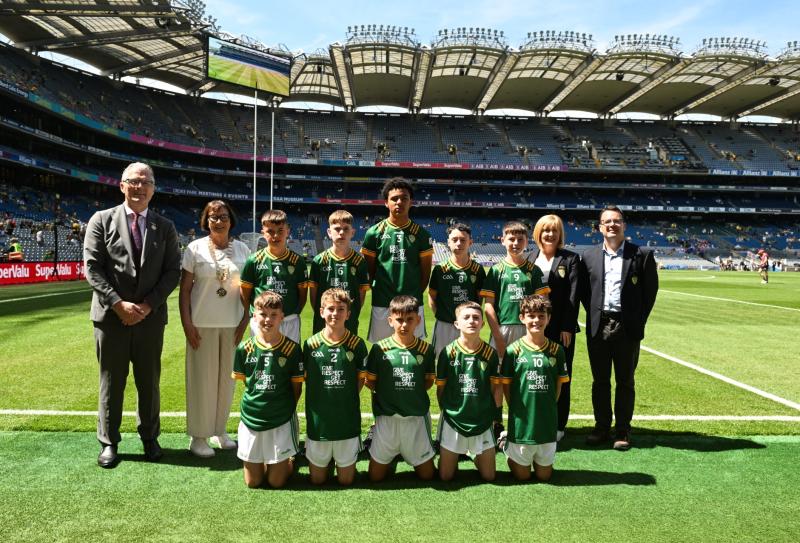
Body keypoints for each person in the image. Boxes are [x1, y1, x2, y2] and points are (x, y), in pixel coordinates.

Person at [83, 162, 180, 469]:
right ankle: (109, 442)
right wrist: (117, 304)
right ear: (121, 186)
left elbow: (172, 271)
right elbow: (92, 267)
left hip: (150, 319)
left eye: (145, 182)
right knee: (111, 382)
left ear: (153, 188)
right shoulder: (101, 220)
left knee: (148, 382)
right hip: (111, 318)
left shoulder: (165, 227)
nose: (139, 187)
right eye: (133, 182)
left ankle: (150, 438)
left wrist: (148, 305)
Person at [579, 206, 658, 451]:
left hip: (627, 326)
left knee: (625, 381)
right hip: (599, 325)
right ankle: (601, 426)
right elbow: (584, 291)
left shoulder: (641, 254)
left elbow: (650, 292)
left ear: (624, 225)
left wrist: (636, 319)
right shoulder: (589, 256)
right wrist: (595, 314)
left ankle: (622, 429)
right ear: (599, 227)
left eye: (616, 221)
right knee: (600, 380)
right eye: (606, 221)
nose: (611, 225)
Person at [179, 200, 250, 458]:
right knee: (202, 382)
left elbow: (247, 291)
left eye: (222, 216)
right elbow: (185, 290)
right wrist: (188, 324)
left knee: (225, 382)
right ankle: (199, 437)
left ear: (231, 220)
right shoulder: (194, 248)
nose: (218, 221)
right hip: (202, 324)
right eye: (212, 217)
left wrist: (245, 321)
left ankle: (220, 430)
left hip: (232, 324)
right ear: (205, 221)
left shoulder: (243, 249)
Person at [232, 291, 304, 489]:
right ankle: (264, 460)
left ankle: (287, 461)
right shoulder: (244, 348)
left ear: (282, 317)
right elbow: (247, 384)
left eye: (274, 315)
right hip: (252, 417)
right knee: (253, 482)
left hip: (280, 418)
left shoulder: (292, 349)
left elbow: (296, 388)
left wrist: (284, 408)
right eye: (263, 314)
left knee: (276, 481)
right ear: (254, 316)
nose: (268, 320)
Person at [366, 295, 436, 482]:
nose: (404, 325)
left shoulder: (426, 350)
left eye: (409, 319)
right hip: (387, 419)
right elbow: (371, 382)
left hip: (415, 419)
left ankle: (408, 451)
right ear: (390, 321)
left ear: (418, 320)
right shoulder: (379, 349)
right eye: (399, 320)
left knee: (428, 476)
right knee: (374, 477)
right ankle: (390, 452)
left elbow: (427, 382)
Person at [302, 288, 369, 485]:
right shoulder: (310, 345)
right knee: (317, 481)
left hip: (346, 423)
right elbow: (307, 379)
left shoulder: (357, 344)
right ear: (321, 311)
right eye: (330, 308)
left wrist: (343, 397)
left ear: (348, 314)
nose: (335, 314)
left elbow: (360, 380)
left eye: (341, 309)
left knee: (346, 481)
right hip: (318, 424)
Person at [500, 295, 569, 482]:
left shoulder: (557, 351)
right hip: (522, 423)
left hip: (546, 424)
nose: (536, 320)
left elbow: (558, 386)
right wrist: (515, 408)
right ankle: (506, 445)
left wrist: (547, 406)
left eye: (541, 315)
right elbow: (506, 386)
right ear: (522, 318)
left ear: (549, 318)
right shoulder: (512, 350)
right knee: (522, 477)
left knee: (544, 476)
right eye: (531, 315)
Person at [361, 178, 433, 342]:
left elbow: (425, 274)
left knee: (413, 349)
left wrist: (413, 294)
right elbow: (369, 271)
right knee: (382, 351)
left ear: (410, 202)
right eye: (394, 198)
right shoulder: (374, 233)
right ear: (386, 202)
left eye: (404, 198)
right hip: (382, 302)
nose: (399, 202)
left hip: (412, 303)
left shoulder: (421, 234)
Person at [436, 301, 501, 482]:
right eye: (466, 317)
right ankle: (454, 452)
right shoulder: (447, 353)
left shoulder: (490, 354)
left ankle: (473, 454)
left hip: (481, 419)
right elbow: (440, 390)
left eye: (476, 318)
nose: (471, 321)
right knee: (445, 477)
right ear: (457, 324)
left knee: (489, 477)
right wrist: (450, 412)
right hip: (453, 419)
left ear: (482, 323)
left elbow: (495, 389)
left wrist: (493, 416)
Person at [529, 214, 580, 441]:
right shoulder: (529, 257)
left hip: (561, 329)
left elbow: (573, 296)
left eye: (554, 231)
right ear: (538, 233)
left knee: (561, 376)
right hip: (534, 328)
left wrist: (568, 327)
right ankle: (535, 419)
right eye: (546, 230)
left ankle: (559, 424)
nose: (550, 234)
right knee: (534, 375)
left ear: (560, 235)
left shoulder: (570, 259)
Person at [240, 209, 309, 343]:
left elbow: (302, 296)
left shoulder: (298, 262)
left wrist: (292, 313)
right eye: (270, 231)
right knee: (261, 360)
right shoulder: (254, 260)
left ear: (287, 231)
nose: (275, 235)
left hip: (289, 320)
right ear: (263, 234)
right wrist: (255, 313)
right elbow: (245, 294)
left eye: (280, 231)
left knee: (290, 360)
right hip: (261, 321)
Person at [308, 210, 370, 335]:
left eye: (346, 229)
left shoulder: (359, 262)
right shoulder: (319, 261)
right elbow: (314, 297)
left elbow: (360, 297)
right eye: (337, 229)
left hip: (349, 320)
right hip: (324, 321)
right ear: (329, 233)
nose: (341, 232)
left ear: (352, 233)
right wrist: (326, 313)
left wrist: (349, 313)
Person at [428, 223, 486, 356]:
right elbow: (431, 295)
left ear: (470, 242)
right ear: (448, 242)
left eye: (463, 240)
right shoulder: (440, 269)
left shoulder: (477, 270)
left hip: (467, 325)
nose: (459, 243)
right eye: (454, 240)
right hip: (444, 324)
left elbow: (480, 298)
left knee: (467, 358)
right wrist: (439, 315)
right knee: (442, 360)